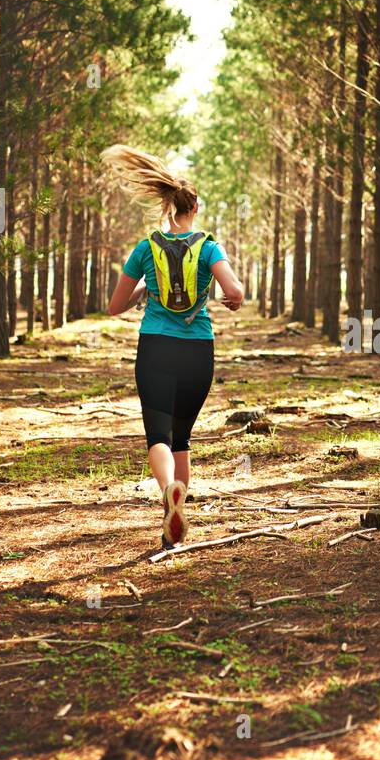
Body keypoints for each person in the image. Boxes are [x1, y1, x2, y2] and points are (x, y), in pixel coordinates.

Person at [102, 144, 245, 549]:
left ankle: (168, 491)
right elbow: (233, 291)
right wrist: (228, 297)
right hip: (198, 349)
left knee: (158, 435)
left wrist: (147, 287)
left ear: (166, 205)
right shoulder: (209, 246)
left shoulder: (147, 247)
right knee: (182, 436)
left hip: (156, 348)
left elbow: (115, 307)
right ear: (195, 206)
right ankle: (174, 522)